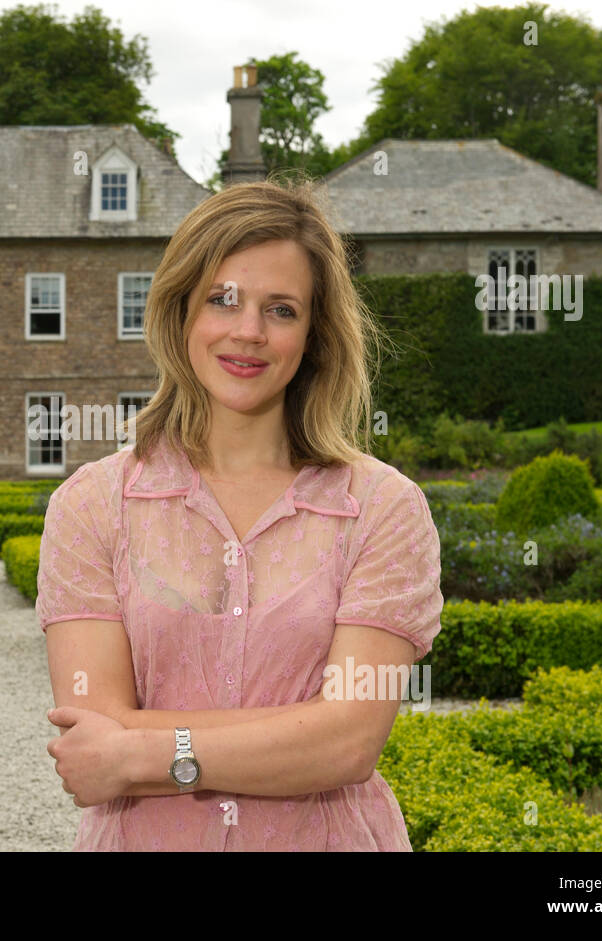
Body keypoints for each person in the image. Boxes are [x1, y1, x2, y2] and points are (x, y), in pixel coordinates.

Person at [39, 176, 444, 851]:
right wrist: (290, 734)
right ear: (181, 313)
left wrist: (143, 754)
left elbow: (347, 741)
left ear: (313, 334)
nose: (248, 332)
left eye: (281, 309)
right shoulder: (92, 505)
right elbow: (93, 728)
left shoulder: (383, 509)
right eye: (222, 300)